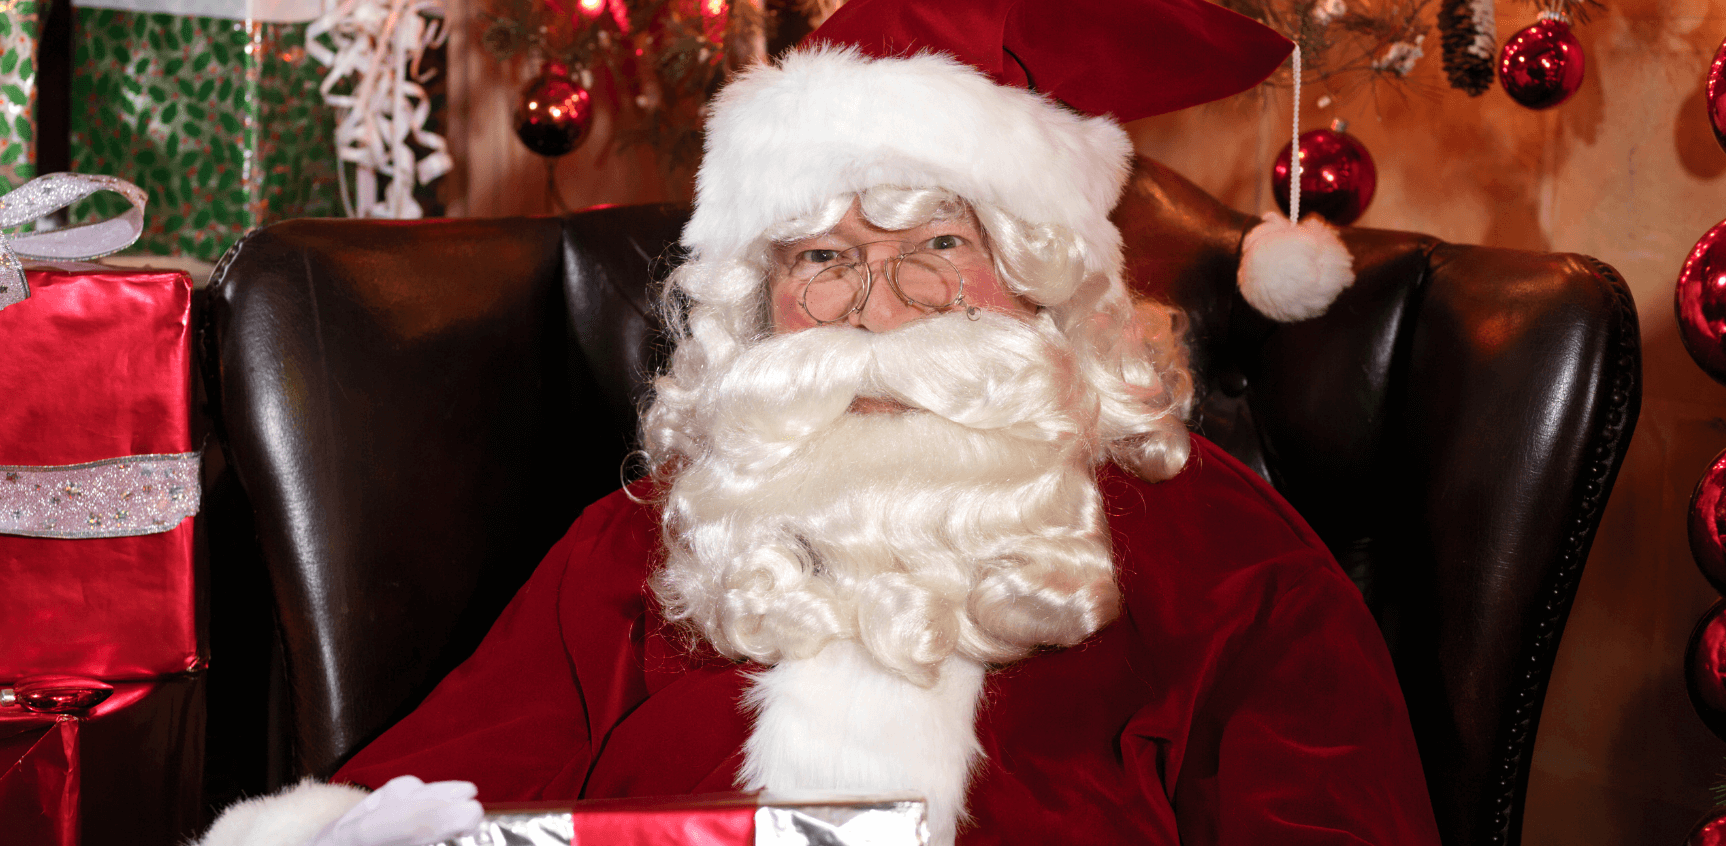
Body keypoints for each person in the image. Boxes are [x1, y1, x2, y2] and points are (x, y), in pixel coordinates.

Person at [194, 1, 1436, 844]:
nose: (878, 310)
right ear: (762, 302)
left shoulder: (1222, 549)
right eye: (825, 258)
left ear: (1044, 280)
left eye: (939, 245)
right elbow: (434, 784)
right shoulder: (655, 538)